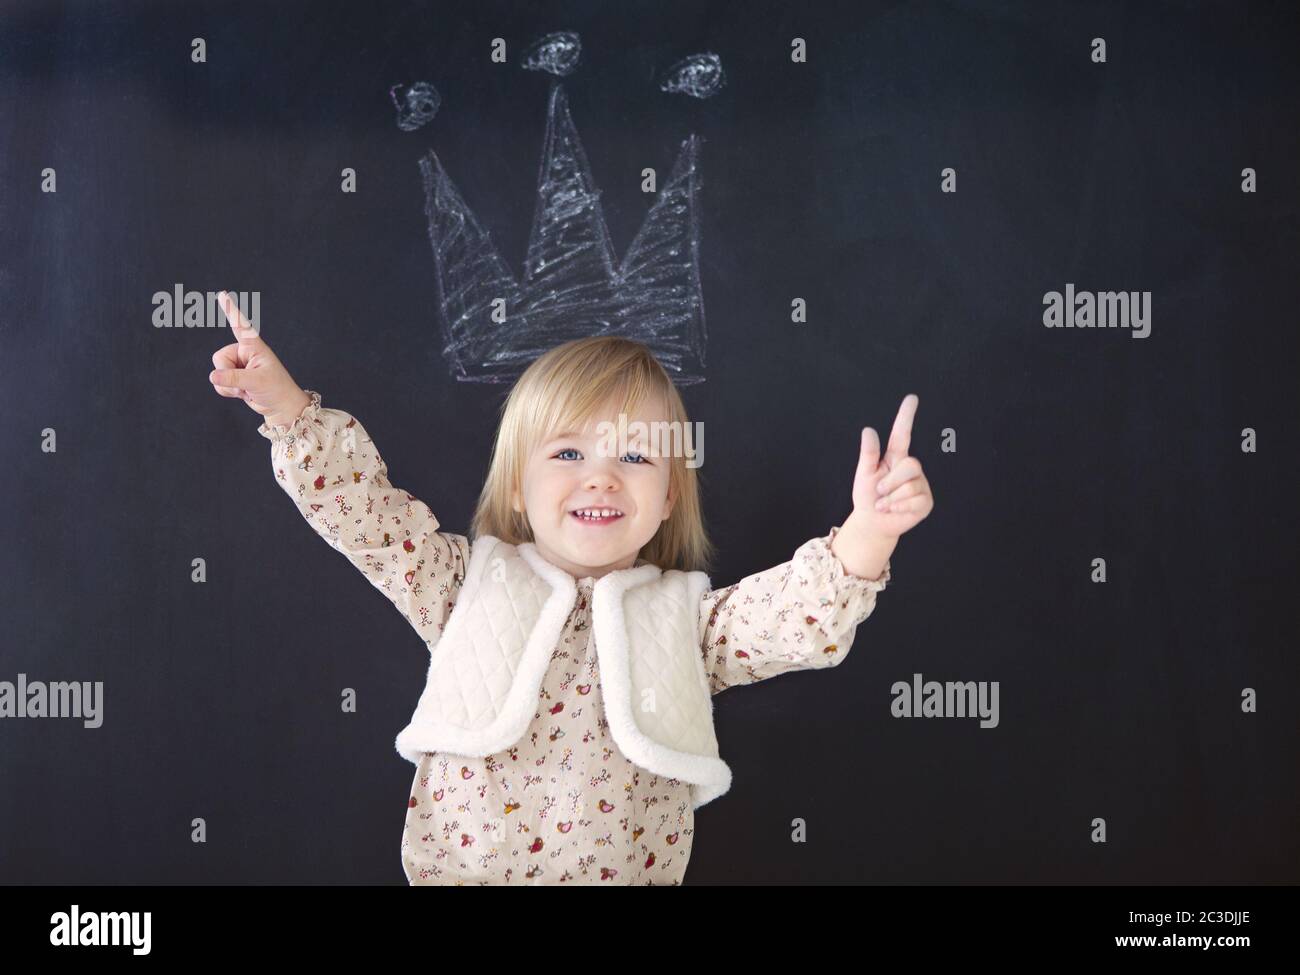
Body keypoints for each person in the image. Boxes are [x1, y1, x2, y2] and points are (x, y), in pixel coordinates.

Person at [208, 291, 934, 884]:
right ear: (519, 488)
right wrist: (288, 412)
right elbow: (366, 514)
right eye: (566, 451)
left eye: (634, 456)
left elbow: (795, 618)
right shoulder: (465, 585)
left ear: (669, 499)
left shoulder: (685, 620)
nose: (600, 475)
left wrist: (869, 530)